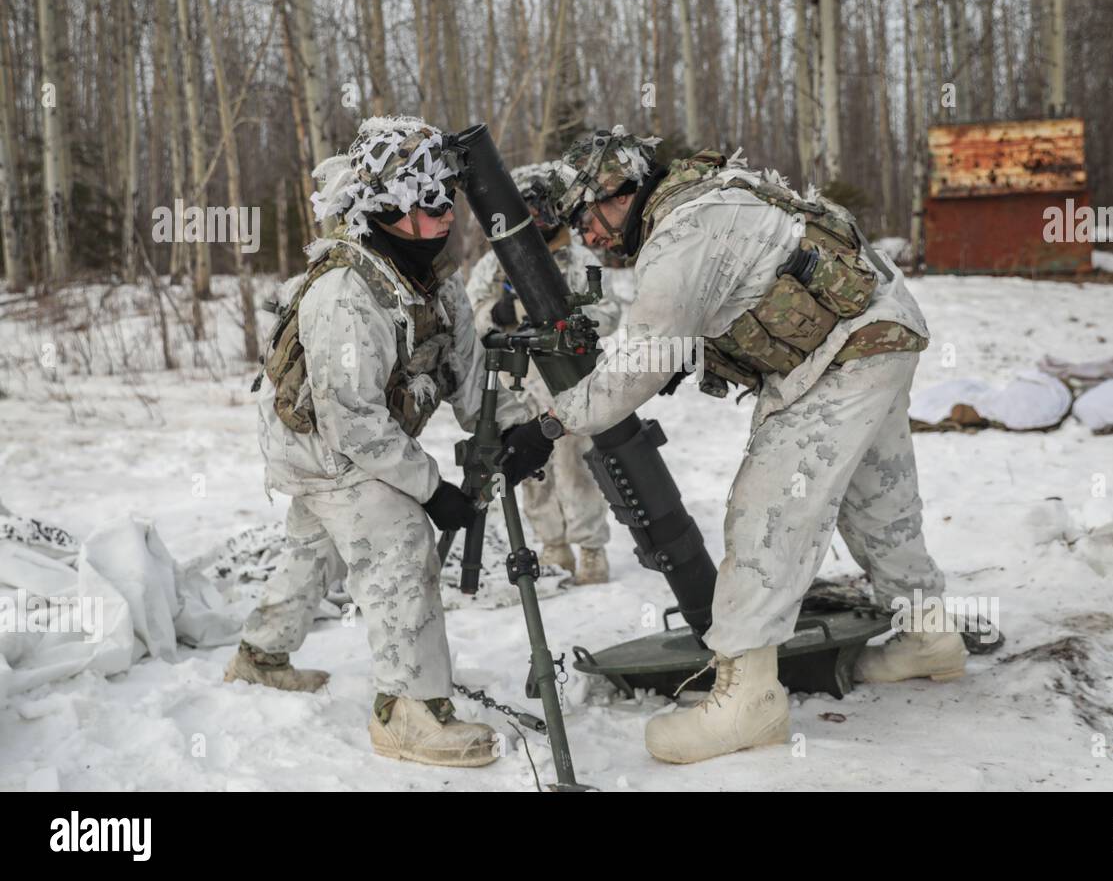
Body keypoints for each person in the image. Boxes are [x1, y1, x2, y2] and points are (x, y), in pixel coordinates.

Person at [548, 127, 964, 765]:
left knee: (768, 509)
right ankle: (928, 634)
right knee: (875, 492)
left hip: (838, 358)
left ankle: (748, 697)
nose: (587, 237)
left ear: (621, 193)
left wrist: (549, 424)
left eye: (586, 216)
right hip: (881, 329)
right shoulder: (710, 198)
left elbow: (636, 367)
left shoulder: (681, 234)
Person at [225, 116, 555, 769]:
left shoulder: (436, 281)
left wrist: (517, 424)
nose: (445, 216)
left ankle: (259, 657)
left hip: (354, 445)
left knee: (313, 550)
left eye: (448, 201)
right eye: (428, 203)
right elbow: (353, 424)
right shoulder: (347, 294)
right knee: (400, 544)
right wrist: (433, 494)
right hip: (326, 450)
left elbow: (466, 376)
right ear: (387, 206)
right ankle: (409, 712)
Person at [464, 162, 620, 584]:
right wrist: (502, 312)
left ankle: (591, 549)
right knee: (533, 469)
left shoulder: (578, 258)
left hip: (572, 376)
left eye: (540, 210)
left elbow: (607, 313)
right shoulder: (495, 265)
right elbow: (470, 323)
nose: (534, 220)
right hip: (519, 382)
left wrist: (565, 314)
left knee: (578, 466)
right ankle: (552, 545)